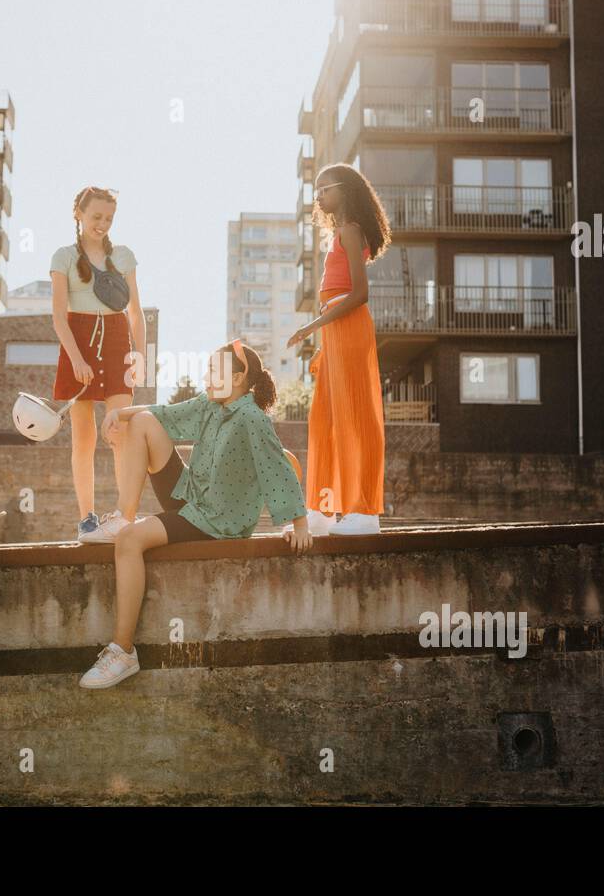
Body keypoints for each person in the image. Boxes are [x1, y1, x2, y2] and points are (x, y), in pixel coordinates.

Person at [77, 339, 311, 689]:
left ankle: (123, 651)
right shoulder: (209, 405)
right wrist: (120, 414)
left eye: (213, 371)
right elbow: (162, 414)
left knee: (129, 543)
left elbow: (278, 467)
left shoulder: (251, 418)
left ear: (238, 378)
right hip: (192, 498)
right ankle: (124, 515)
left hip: (216, 521)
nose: (205, 377)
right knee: (143, 422)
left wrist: (300, 524)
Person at [288, 163, 392, 536]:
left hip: (348, 328)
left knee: (355, 418)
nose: (318, 196)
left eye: (324, 189)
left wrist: (314, 325)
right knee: (325, 420)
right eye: (315, 191)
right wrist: (323, 344)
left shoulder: (350, 231)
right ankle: (322, 507)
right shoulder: (340, 235)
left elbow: (360, 294)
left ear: (344, 190)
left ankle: (364, 512)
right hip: (337, 333)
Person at [48, 186, 147, 543]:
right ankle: (87, 519)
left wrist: (141, 355)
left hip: (118, 340)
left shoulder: (123, 256)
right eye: (95, 217)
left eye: (108, 218)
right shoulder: (63, 257)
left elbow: (135, 313)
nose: (102, 224)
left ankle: (125, 516)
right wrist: (76, 359)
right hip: (79, 340)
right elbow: (59, 316)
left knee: (122, 434)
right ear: (79, 214)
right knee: (84, 440)